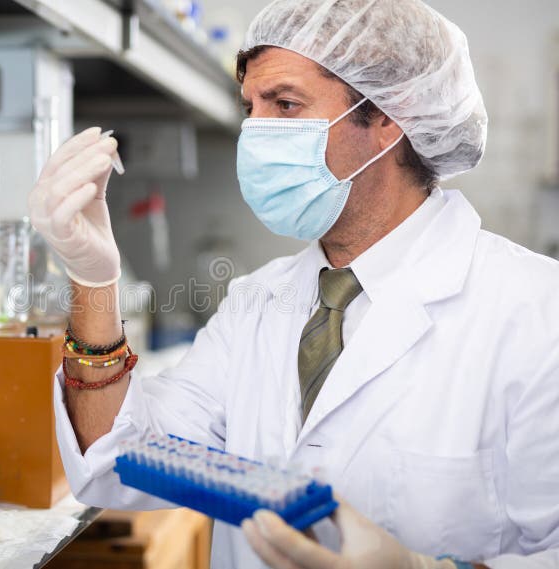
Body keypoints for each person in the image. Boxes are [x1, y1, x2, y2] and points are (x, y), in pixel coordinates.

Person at [28, 0, 559, 567]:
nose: (256, 133)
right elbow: (121, 459)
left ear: (386, 117)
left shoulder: (536, 311)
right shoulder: (256, 302)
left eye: (285, 104)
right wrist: (94, 282)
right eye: (250, 109)